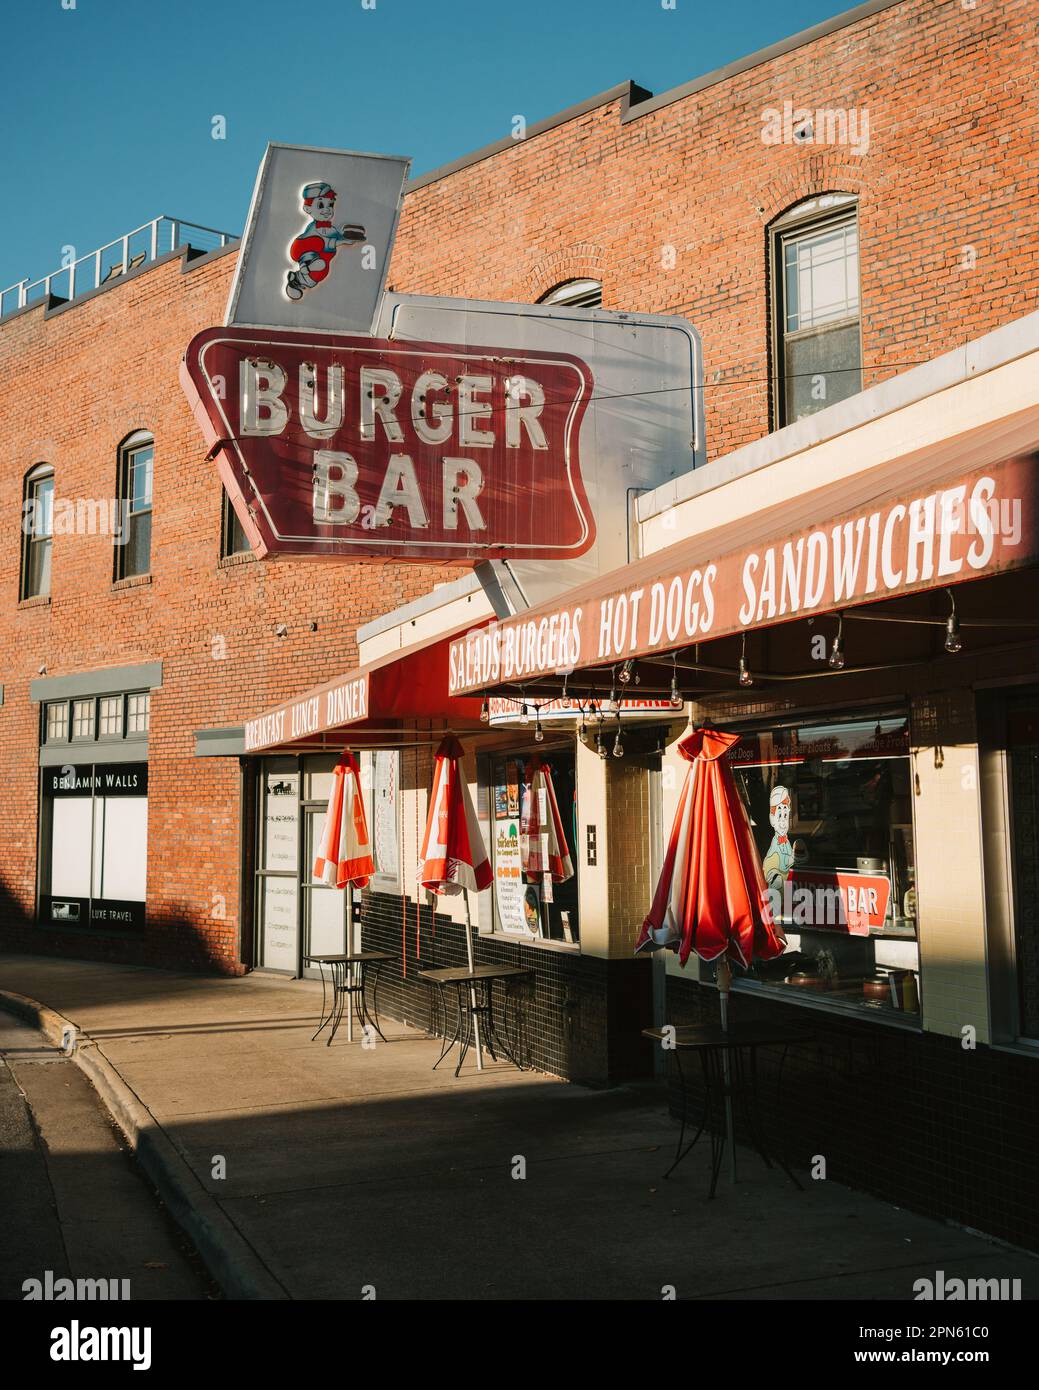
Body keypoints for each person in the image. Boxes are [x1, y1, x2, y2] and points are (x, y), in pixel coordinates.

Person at [285, 182, 366, 301]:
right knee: (319, 254)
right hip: (306, 249)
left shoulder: (331, 229)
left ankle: (299, 280)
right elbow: (324, 243)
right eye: (321, 205)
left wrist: (348, 239)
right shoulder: (315, 228)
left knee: (321, 269)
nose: (327, 209)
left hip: (320, 261)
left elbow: (336, 239)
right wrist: (341, 242)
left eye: (331, 204)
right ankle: (304, 268)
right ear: (307, 209)